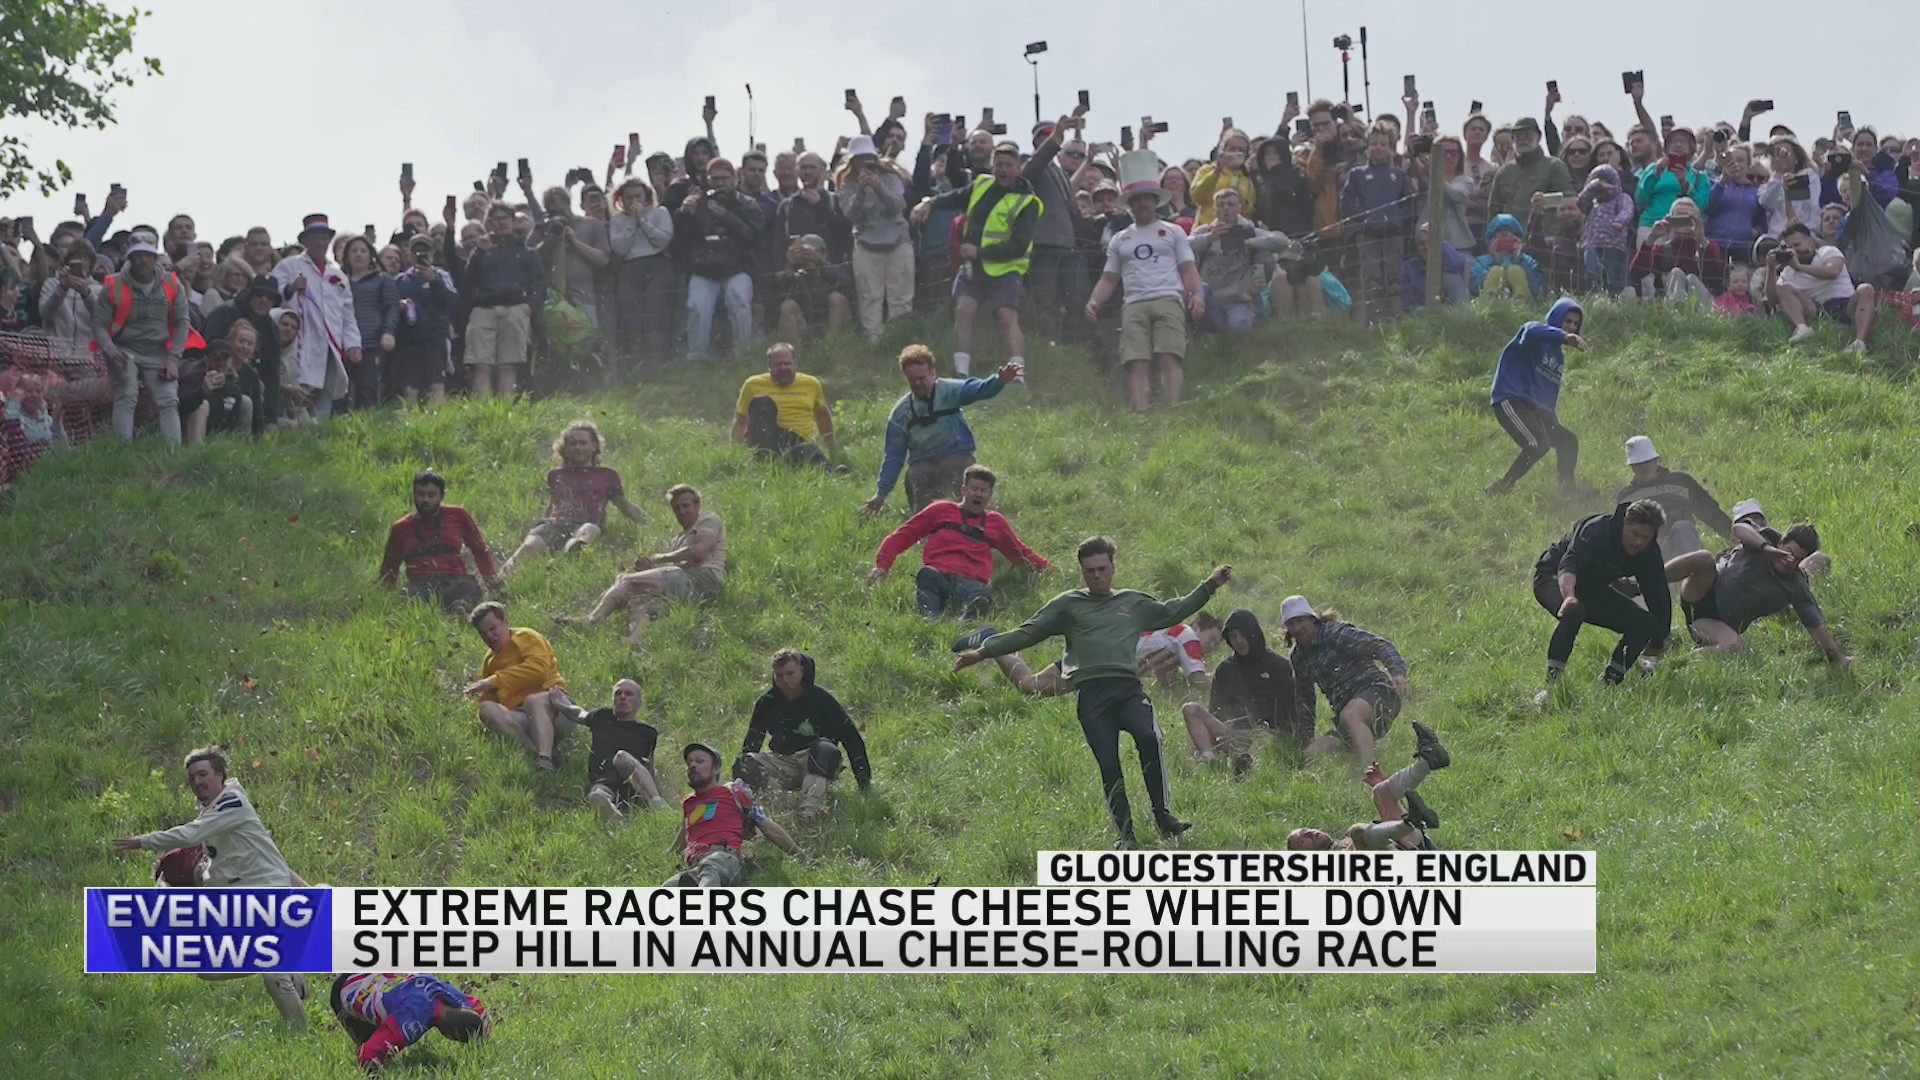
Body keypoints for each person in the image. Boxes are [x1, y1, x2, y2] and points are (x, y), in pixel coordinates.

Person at [954, 536, 1231, 846]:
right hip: (1091, 695)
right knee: (1109, 765)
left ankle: (1163, 817)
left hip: (1127, 689)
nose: (1097, 576)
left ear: (1113, 567)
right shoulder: (1068, 604)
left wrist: (1211, 584)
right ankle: (1125, 836)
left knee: (1149, 736)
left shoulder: (1133, 603)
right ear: (1082, 572)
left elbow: (1175, 610)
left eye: (1102, 569)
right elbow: (1028, 632)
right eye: (1090, 571)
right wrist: (983, 652)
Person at [110, 747, 311, 1028]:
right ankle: (288, 965)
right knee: (207, 968)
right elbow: (219, 869)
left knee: (272, 972)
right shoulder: (212, 811)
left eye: (203, 774)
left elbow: (190, 834)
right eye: (192, 778)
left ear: (220, 775)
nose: (197, 782)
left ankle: (298, 1031)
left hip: (267, 895)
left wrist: (144, 841)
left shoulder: (232, 803)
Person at [909, 132, 1046, 377]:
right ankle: (961, 372)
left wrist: (979, 252)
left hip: (1005, 269)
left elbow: (1018, 246)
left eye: (1008, 165)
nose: (1003, 170)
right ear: (993, 166)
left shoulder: (1028, 202)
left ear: (1018, 169)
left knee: (1007, 317)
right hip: (973, 269)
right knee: (963, 310)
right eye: (999, 165)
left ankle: (1017, 375)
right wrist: (929, 202)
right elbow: (954, 197)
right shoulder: (981, 184)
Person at [1086, 151, 1205, 413]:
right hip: (1134, 303)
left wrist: (1197, 294)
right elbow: (1109, 277)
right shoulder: (1120, 238)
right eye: (1137, 199)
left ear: (1155, 201)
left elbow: (1188, 268)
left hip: (1168, 298)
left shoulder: (1173, 231)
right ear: (1130, 204)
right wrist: (1095, 301)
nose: (1142, 204)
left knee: (1169, 356)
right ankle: (1141, 413)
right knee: (1136, 361)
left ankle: (1173, 411)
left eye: (1147, 198)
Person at [1533, 499, 1672, 705]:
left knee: (1645, 625)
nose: (1638, 543)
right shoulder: (1597, 529)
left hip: (1592, 588)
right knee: (1574, 610)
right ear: (1624, 524)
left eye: (1645, 537)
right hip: (1553, 577)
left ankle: (1608, 687)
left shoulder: (1649, 553)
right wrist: (1569, 596)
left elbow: (1658, 595)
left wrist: (1659, 638)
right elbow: (1569, 564)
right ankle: (1551, 687)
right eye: (1634, 534)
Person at [869, 464, 1050, 618]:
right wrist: (882, 565)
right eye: (974, 489)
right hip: (937, 576)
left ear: (990, 495)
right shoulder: (939, 510)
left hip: (971, 583)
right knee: (926, 575)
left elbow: (1020, 553)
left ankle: (965, 623)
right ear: (964, 490)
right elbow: (903, 535)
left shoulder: (995, 522)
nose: (978, 494)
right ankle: (929, 622)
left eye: (983, 490)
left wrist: (1050, 570)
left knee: (981, 596)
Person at [865, 344, 1020, 514]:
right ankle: (925, 526)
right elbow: (893, 456)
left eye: (922, 378)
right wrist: (881, 494)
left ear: (933, 373)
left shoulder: (949, 391)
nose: (918, 383)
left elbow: (978, 389)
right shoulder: (901, 414)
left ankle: (968, 521)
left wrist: (999, 381)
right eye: (912, 380)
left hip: (956, 455)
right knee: (915, 476)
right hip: (922, 462)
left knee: (952, 468)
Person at [1665, 519, 1846, 663]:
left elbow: (1815, 626)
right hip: (1701, 590)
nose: (1789, 560)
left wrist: (1837, 658)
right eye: (1789, 552)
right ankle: (1653, 578)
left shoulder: (1795, 585)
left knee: (1734, 646)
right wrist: (1766, 549)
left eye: (1797, 559)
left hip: (1715, 621)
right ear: (1781, 543)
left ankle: (1680, 661)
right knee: (1704, 558)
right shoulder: (1762, 541)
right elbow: (1739, 528)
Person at [569, 484, 725, 643]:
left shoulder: (707, 519)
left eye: (686, 506)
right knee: (641, 598)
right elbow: (671, 571)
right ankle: (633, 641)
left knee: (626, 580)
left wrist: (659, 558)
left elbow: (699, 551)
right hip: (687, 585)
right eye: (677, 508)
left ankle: (591, 621)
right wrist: (649, 569)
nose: (682, 511)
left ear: (697, 505)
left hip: (703, 577)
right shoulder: (677, 540)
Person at [737, 649, 873, 824]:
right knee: (746, 763)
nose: (785, 680)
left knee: (826, 749)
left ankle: (809, 812)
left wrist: (863, 781)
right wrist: (740, 783)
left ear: (802, 671)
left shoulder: (822, 699)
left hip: (817, 761)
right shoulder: (766, 703)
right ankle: (780, 808)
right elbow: (752, 742)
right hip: (783, 761)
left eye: (790, 673)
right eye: (779, 675)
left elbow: (851, 738)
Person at [501, 419, 646, 576]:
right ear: (565, 448)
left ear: (594, 446)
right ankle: (499, 579)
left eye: (583, 443)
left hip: (587, 525)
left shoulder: (607, 476)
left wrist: (650, 523)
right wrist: (537, 529)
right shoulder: (556, 475)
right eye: (573, 443)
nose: (578, 447)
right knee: (528, 547)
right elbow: (553, 505)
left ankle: (562, 561)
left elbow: (625, 506)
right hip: (556, 525)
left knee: (586, 533)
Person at [1280, 595, 1409, 764]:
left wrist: (1397, 673)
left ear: (1312, 619)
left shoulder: (1335, 634)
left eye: (1300, 620)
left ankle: (1369, 772)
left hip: (1379, 695)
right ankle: (1358, 763)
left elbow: (1379, 645)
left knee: (1351, 715)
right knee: (1310, 755)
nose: (1297, 628)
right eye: (1291, 623)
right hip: (1345, 718)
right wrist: (1307, 736)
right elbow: (1305, 698)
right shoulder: (1298, 657)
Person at [91, 228, 190, 445]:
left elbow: (182, 323)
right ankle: (122, 451)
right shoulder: (113, 285)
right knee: (126, 396)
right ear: (129, 257)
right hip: (124, 350)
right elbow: (99, 325)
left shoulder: (172, 285)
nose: (142, 260)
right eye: (137, 255)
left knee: (168, 400)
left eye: (147, 255)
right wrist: (112, 351)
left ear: (155, 257)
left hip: (159, 352)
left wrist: (173, 359)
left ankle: (173, 453)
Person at [1285, 722, 1451, 851]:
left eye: (1305, 829)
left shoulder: (1347, 841)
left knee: (1380, 791)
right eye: (1301, 840)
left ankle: (1427, 761)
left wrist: (1385, 785)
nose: (1308, 833)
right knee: (1357, 831)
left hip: (1417, 849)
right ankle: (1411, 822)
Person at [440, 199, 543, 398]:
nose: (500, 222)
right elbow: (467, 281)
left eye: (505, 218)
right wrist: (479, 252)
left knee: (508, 365)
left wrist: (529, 307)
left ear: (513, 221)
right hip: (483, 310)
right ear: (488, 223)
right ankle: (483, 408)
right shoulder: (480, 251)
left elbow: (539, 283)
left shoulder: (528, 252)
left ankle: (504, 409)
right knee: (481, 364)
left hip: (516, 308)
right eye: (495, 219)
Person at [1179, 609, 1302, 774]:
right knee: (1190, 709)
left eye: (1243, 635)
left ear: (1253, 634)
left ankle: (1245, 763)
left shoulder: (1279, 666)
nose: (1239, 641)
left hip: (1268, 735)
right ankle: (1210, 761)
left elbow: (1291, 715)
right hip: (1231, 732)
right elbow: (1216, 711)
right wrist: (1226, 722)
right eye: (1234, 636)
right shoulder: (1225, 669)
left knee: (1263, 738)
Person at [1486, 298, 1587, 496]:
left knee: (1568, 441)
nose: (1571, 327)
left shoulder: (1557, 357)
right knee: (1538, 445)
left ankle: (1567, 490)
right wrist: (1564, 336)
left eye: (1576, 324)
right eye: (1567, 321)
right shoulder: (1533, 332)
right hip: (1510, 401)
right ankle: (1503, 487)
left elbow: (1548, 394)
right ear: (1556, 317)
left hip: (1534, 410)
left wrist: (1552, 422)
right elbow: (1532, 331)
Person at [666, 741, 800, 887]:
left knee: (710, 869)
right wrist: (667, 854)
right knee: (668, 887)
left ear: (716, 769)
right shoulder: (688, 803)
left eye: (699, 761)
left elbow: (767, 826)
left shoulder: (733, 792)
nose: (692, 765)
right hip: (696, 866)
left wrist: (800, 855)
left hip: (725, 858)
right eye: (689, 762)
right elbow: (685, 831)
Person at [466, 600, 579, 771]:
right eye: (483, 633)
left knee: (534, 700)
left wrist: (493, 680)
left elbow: (539, 671)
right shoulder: (490, 660)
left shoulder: (526, 637)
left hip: (556, 707)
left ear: (505, 621)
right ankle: (536, 754)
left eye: (493, 628)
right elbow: (491, 697)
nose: (489, 636)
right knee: (486, 708)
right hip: (523, 718)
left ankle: (545, 757)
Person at [270, 215, 359, 421]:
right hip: (301, 341)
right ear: (306, 241)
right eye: (315, 238)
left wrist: (353, 343)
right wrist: (290, 288)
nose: (320, 243)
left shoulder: (338, 275)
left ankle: (321, 429)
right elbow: (272, 296)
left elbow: (347, 314)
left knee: (326, 391)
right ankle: (297, 428)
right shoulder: (288, 266)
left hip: (330, 345)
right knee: (299, 392)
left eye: (324, 238)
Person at [675, 157, 765, 358]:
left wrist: (727, 217)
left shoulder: (748, 203)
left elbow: (754, 237)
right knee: (697, 305)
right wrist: (683, 214)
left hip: (737, 268)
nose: (720, 183)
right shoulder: (698, 203)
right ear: (708, 180)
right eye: (715, 179)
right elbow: (683, 240)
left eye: (724, 178)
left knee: (738, 299)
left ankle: (744, 353)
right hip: (704, 268)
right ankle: (697, 357)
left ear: (734, 178)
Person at [379, 470, 498, 612]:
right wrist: (384, 599)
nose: (425, 500)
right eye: (420, 494)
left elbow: (479, 550)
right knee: (411, 602)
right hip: (420, 588)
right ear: (413, 495)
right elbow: (389, 569)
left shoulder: (458, 516)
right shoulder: (401, 528)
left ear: (441, 496)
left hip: (455, 582)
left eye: (431, 495)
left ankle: (460, 612)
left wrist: (492, 583)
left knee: (465, 594)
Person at [839, 134, 914, 342]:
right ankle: (873, 344)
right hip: (866, 246)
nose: (865, 162)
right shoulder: (846, 185)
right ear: (852, 161)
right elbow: (852, 216)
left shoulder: (891, 177)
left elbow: (898, 205)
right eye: (860, 158)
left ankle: (900, 342)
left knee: (900, 297)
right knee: (869, 298)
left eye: (868, 157)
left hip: (897, 243)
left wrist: (878, 186)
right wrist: (862, 191)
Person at [1339, 121, 1416, 324]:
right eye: (1374, 144)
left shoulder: (1398, 175)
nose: (1378, 148)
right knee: (1371, 277)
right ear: (1367, 146)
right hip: (1368, 234)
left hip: (1393, 234)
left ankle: (1396, 319)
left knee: (1395, 277)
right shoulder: (1358, 174)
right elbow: (1346, 201)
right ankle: (1375, 321)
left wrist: (1398, 219)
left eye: (1383, 144)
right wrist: (1363, 219)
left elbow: (1408, 204)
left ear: (1391, 147)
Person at [330, 973, 488, 1071]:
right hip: (346, 990)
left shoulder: (448, 995)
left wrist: (482, 1037)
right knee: (381, 1057)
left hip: (372, 973)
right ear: (450, 1035)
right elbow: (367, 1054)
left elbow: (477, 1009)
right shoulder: (412, 1020)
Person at [1190, 188, 1295, 333]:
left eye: (1231, 204)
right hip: (1209, 297)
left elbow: (1281, 240)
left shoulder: (1248, 230)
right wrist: (1209, 238)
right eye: (1221, 205)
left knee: (1239, 330)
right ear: (1215, 209)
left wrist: (1248, 242)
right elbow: (1183, 245)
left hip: (1238, 299)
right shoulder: (1205, 231)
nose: (1226, 208)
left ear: (1239, 208)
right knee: (1208, 334)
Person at [1768, 223, 1876, 354]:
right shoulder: (1788, 273)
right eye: (1789, 248)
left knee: (1866, 289)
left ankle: (1859, 343)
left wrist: (1800, 267)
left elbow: (1832, 272)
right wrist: (1771, 269)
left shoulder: (1827, 252)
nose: (1794, 251)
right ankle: (1802, 328)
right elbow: (1772, 300)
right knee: (1782, 288)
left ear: (1810, 241)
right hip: (1817, 310)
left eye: (1797, 245)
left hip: (1847, 304)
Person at [1617, 436, 1732, 557]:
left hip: (1684, 543)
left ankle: (1694, 567)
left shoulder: (1681, 481)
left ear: (1656, 459)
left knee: (1682, 527)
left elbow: (1709, 511)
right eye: (1637, 464)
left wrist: (1731, 533)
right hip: (1649, 551)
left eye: (1647, 462)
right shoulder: (1626, 496)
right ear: (1631, 466)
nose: (1643, 467)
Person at [731, 341, 840, 470]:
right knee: (761, 402)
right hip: (766, 440)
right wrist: (735, 453)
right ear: (769, 366)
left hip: (798, 441)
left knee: (810, 451)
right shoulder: (752, 384)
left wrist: (833, 449)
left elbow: (823, 417)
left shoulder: (811, 384)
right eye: (778, 364)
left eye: (787, 363)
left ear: (795, 364)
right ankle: (766, 461)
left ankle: (831, 472)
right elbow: (740, 420)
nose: (783, 368)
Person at [580, 678, 668, 820]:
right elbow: (577, 713)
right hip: (605, 780)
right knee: (596, 794)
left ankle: (657, 803)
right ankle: (614, 819)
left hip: (634, 783)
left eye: (629, 694)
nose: (622, 697)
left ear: (639, 702)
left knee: (621, 757)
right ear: (613, 699)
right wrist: (559, 702)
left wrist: (658, 792)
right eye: (618, 693)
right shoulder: (602, 718)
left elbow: (649, 767)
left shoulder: (647, 732)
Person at [389, 235, 456, 407]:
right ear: (409, 255)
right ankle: (412, 420)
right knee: (410, 388)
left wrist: (434, 281)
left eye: (425, 251)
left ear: (432, 254)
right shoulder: (400, 280)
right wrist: (401, 306)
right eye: (416, 251)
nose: (420, 255)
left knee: (436, 386)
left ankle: (439, 420)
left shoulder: (442, 275)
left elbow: (452, 301)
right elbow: (390, 308)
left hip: (435, 340)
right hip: (409, 341)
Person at [1629, 199, 1724, 305]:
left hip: (1702, 303)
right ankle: (1677, 308)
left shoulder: (1708, 247)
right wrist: (1651, 238)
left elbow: (1717, 279)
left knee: (1691, 278)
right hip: (1669, 301)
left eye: (1689, 217)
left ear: (1697, 220)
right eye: (1679, 216)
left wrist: (1701, 239)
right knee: (1676, 273)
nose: (1684, 220)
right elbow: (1636, 273)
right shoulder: (1662, 250)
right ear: (1670, 219)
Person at [767, 234, 852, 339]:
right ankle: (794, 347)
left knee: (836, 298)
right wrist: (790, 265)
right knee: (787, 305)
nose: (808, 255)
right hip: (803, 323)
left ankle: (835, 343)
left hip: (831, 322)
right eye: (804, 252)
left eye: (814, 251)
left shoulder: (832, 269)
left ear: (825, 253)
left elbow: (846, 284)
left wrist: (820, 263)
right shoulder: (793, 274)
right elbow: (775, 294)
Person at [1577, 164, 1638, 297]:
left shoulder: (1621, 198)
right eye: (1601, 183)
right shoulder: (1592, 203)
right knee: (1592, 272)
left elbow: (1627, 210)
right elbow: (1580, 201)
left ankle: (1614, 298)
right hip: (1591, 244)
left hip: (1613, 244)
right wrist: (1595, 186)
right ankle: (1595, 297)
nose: (1605, 188)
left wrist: (1620, 221)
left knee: (1613, 276)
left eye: (1608, 182)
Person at [1470, 215, 1544, 300]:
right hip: (1489, 305)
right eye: (1500, 231)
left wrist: (1518, 260)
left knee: (1515, 270)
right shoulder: (1480, 262)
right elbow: (1474, 288)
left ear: (1516, 237)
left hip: (1524, 306)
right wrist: (1494, 261)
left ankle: (1519, 302)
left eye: (1509, 231)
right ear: (1492, 238)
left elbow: (1537, 289)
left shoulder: (1528, 261)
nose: (1504, 234)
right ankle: (1490, 302)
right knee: (1495, 271)